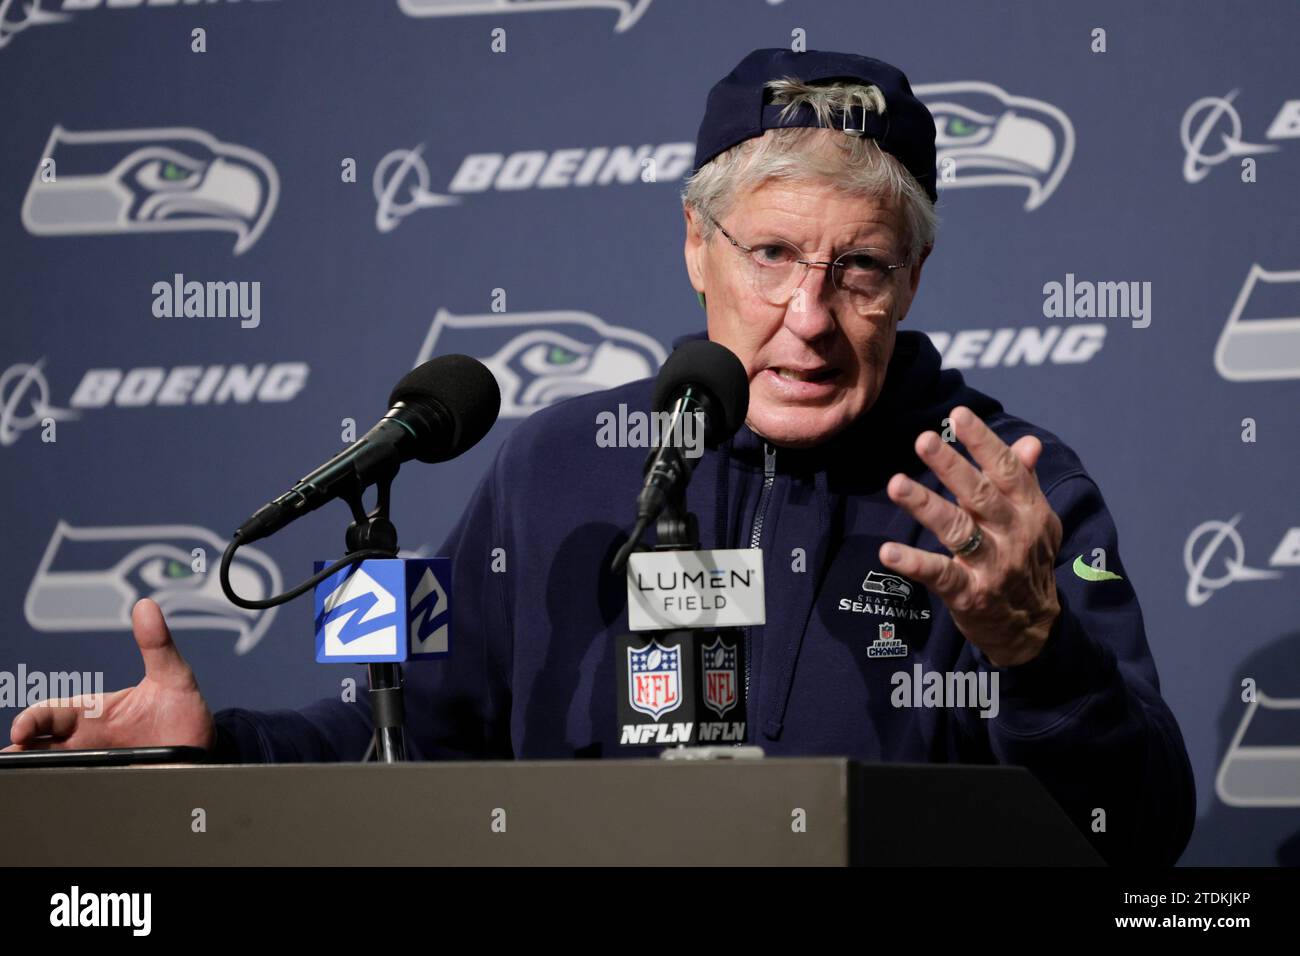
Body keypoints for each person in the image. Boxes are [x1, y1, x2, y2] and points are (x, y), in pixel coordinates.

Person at [5, 48, 1195, 864]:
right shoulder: (558, 464)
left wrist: (1038, 650)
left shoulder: (1005, 493)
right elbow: (409, 731)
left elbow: (1137, 833)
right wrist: (211, 748)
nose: (808, 315)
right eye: (772, 253)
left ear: (915, 278)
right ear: (696, 246)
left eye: (861, 269)